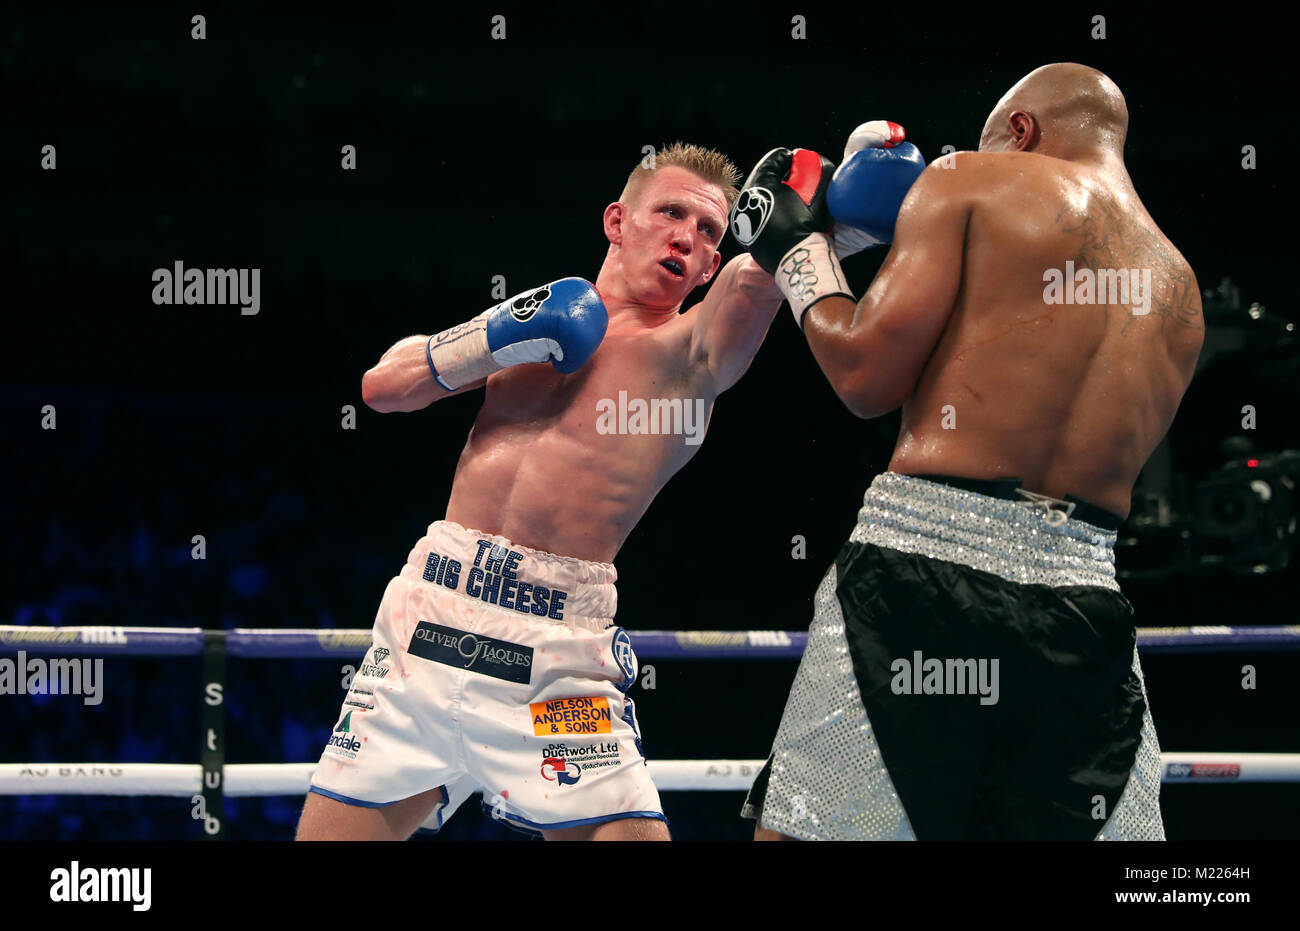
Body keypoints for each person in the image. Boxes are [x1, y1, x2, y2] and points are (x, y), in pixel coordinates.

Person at [737, 64, 1204, 840]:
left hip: (921, 573)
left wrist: (799, 251)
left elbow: (862, 374)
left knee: (805, 829)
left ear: (1020, 130)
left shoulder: (971, 180)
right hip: (1082, 604)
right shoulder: (1180, 287)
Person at [296, 143, 787, 841]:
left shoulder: (690, 353)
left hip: (556, 658)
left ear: (711, 263)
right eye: (671, 212)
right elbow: (382, 388)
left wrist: (816, 222)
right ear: (617, 221)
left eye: (708, 231)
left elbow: (758, 279)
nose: (688, 236)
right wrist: (495, 335)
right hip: (424, 627)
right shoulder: (533, 322)